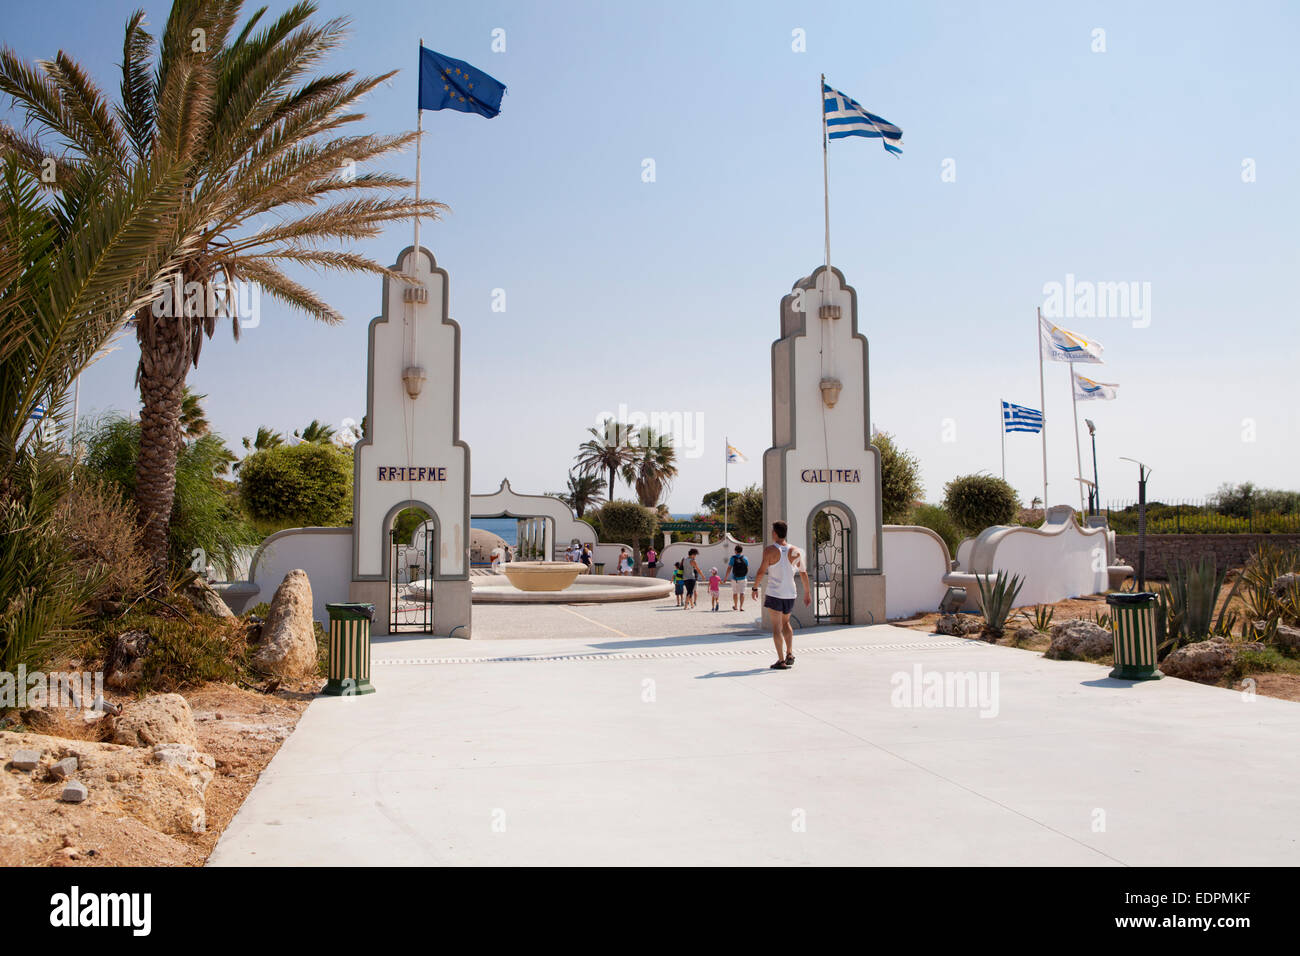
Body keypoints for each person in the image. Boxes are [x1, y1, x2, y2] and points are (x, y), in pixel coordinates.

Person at [751, 520, 811, 670]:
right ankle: (790, 653)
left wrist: (754, 588)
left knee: (777, 627)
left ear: (775, 533)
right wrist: (807, 593)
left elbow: (761, 571)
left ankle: (781, 660)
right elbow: (803, 573)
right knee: (786, 623)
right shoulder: (796, 551)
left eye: (772, 531)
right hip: (790, 594)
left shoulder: (769, 550)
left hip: (774, 593)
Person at [722, 544, 749, 612]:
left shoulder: (733, 558)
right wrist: (744, 575)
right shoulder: (745, 558)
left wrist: (725, 578)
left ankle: (735, 606)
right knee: (742, 593)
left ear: (735, 551)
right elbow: (747, 568)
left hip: (735, 578)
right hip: (743, 578)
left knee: (735, 593)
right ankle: (741, 607)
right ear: (741, 551)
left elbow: (729, 568)